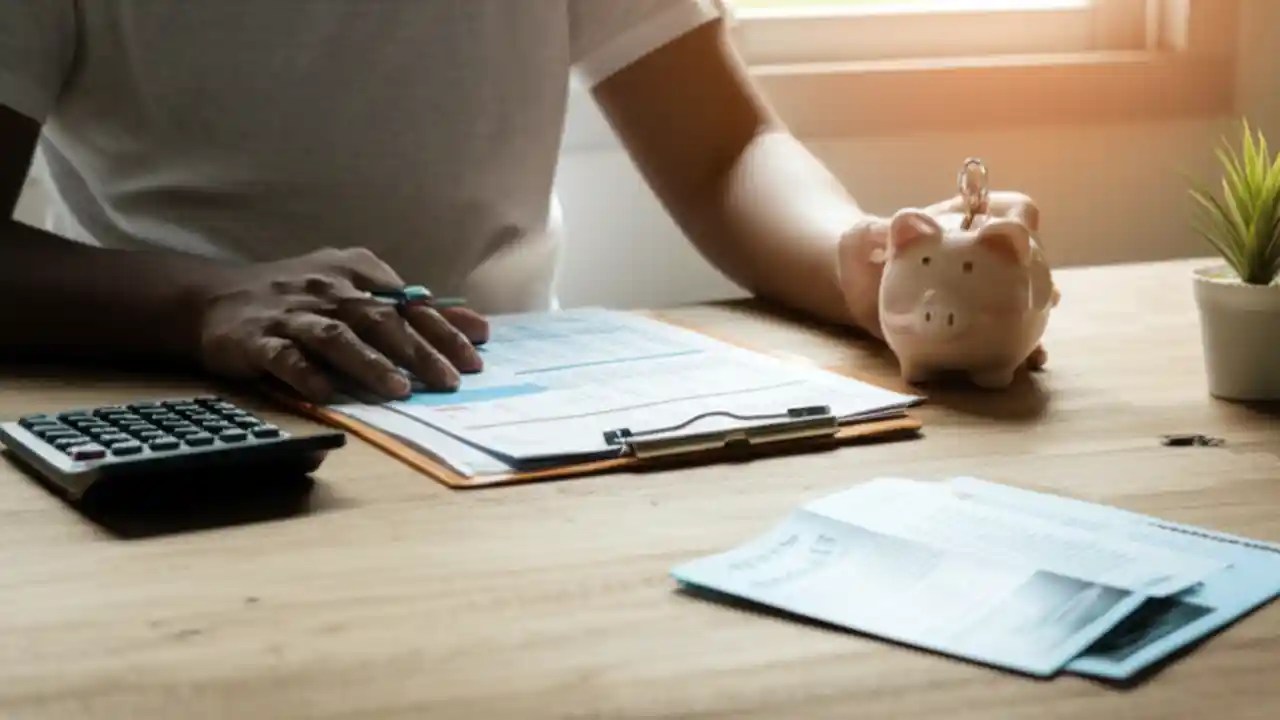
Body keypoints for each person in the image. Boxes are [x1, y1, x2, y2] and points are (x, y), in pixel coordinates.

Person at [0, 1, 1037, 402]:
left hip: (493, 408)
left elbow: (725, 147)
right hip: (173, 410)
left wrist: (853, 263)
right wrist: (204, 304)